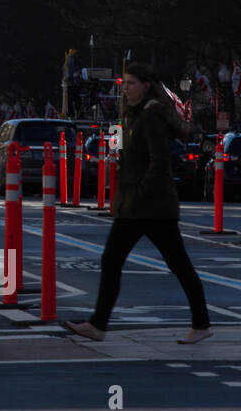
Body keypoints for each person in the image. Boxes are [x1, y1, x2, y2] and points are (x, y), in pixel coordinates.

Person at [64, 63, 211, 345]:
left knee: (178, 264)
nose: (126, 89)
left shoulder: (151, 116)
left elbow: (160, 161)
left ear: (146, 86)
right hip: (134, 206)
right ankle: (98, 324)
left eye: (131, 83)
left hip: (154, 206)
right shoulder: (132, 115)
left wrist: (139, 191)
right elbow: (127, 155)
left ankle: (201, 323)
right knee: (112, 260)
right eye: (125, 84)